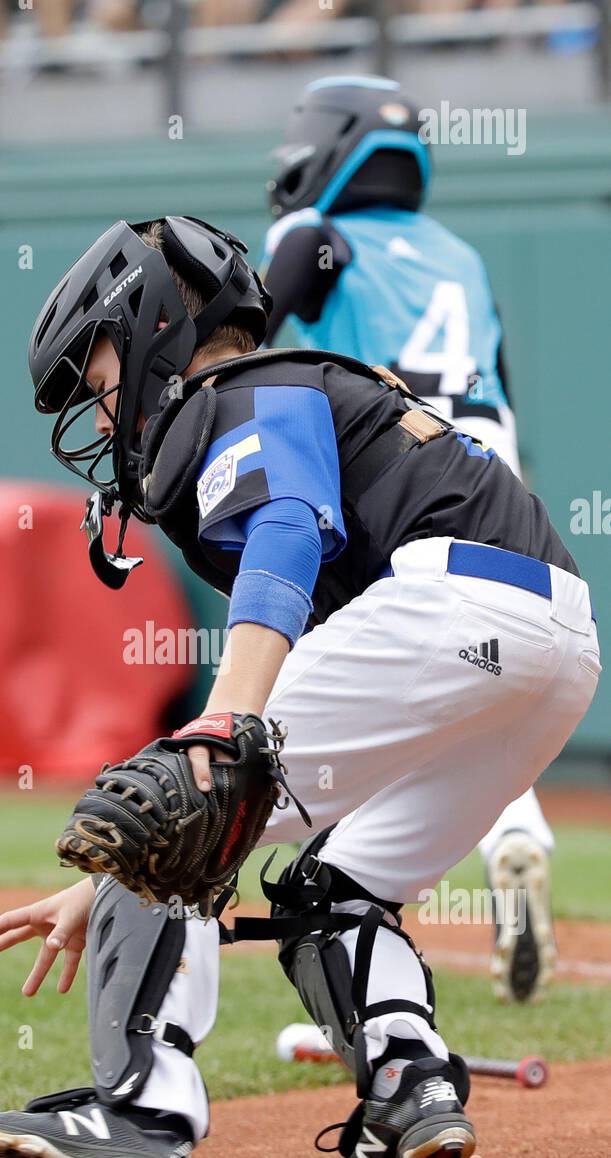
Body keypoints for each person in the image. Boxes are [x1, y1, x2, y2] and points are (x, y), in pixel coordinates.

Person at [0, 215, 599, 1158]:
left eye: (99, 364)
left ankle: (141, 1110)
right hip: (557, 643)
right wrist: (113, 881)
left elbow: (286, 524)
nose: (99, 399)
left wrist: (216, 741)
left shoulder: (234, 394)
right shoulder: (299, 387)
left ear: (154, 320)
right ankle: (410, 1092)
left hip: (448, 608)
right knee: (334, 885)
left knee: (183, 797)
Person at [262, 75, 558, 1003]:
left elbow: (245, 348)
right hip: (499, 503)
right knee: (484, 694)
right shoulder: (462, 257)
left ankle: (348, 956)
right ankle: (517, 834)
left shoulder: (312, 236)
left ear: (323, 144)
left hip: (400, 493)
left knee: (348, 714)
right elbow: (502, 391)